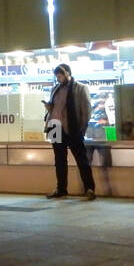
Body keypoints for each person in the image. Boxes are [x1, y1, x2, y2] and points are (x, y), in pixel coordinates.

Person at [43, 63, 95, 200]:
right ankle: (61, 189)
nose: (58, 79)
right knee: (59, 160)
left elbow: (86, 110)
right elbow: (55, 108)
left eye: (60, 76)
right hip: (55, 126)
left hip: (72, 128)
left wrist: (81, 129)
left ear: (67, 73)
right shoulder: (55, 89)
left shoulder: (80, 88)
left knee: (81, 159)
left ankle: (89, 189)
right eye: (57, 77)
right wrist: (49, 108)